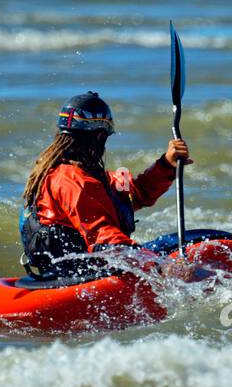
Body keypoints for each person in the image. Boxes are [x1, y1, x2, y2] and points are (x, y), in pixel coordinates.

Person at [18, 91, 192, 281]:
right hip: (73, 277)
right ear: (100, 137)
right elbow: (105, 239)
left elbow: (136, 194)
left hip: (81, 269)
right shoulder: (73, 181)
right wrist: (162, 267)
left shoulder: (88, 176)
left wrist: (166, 165)